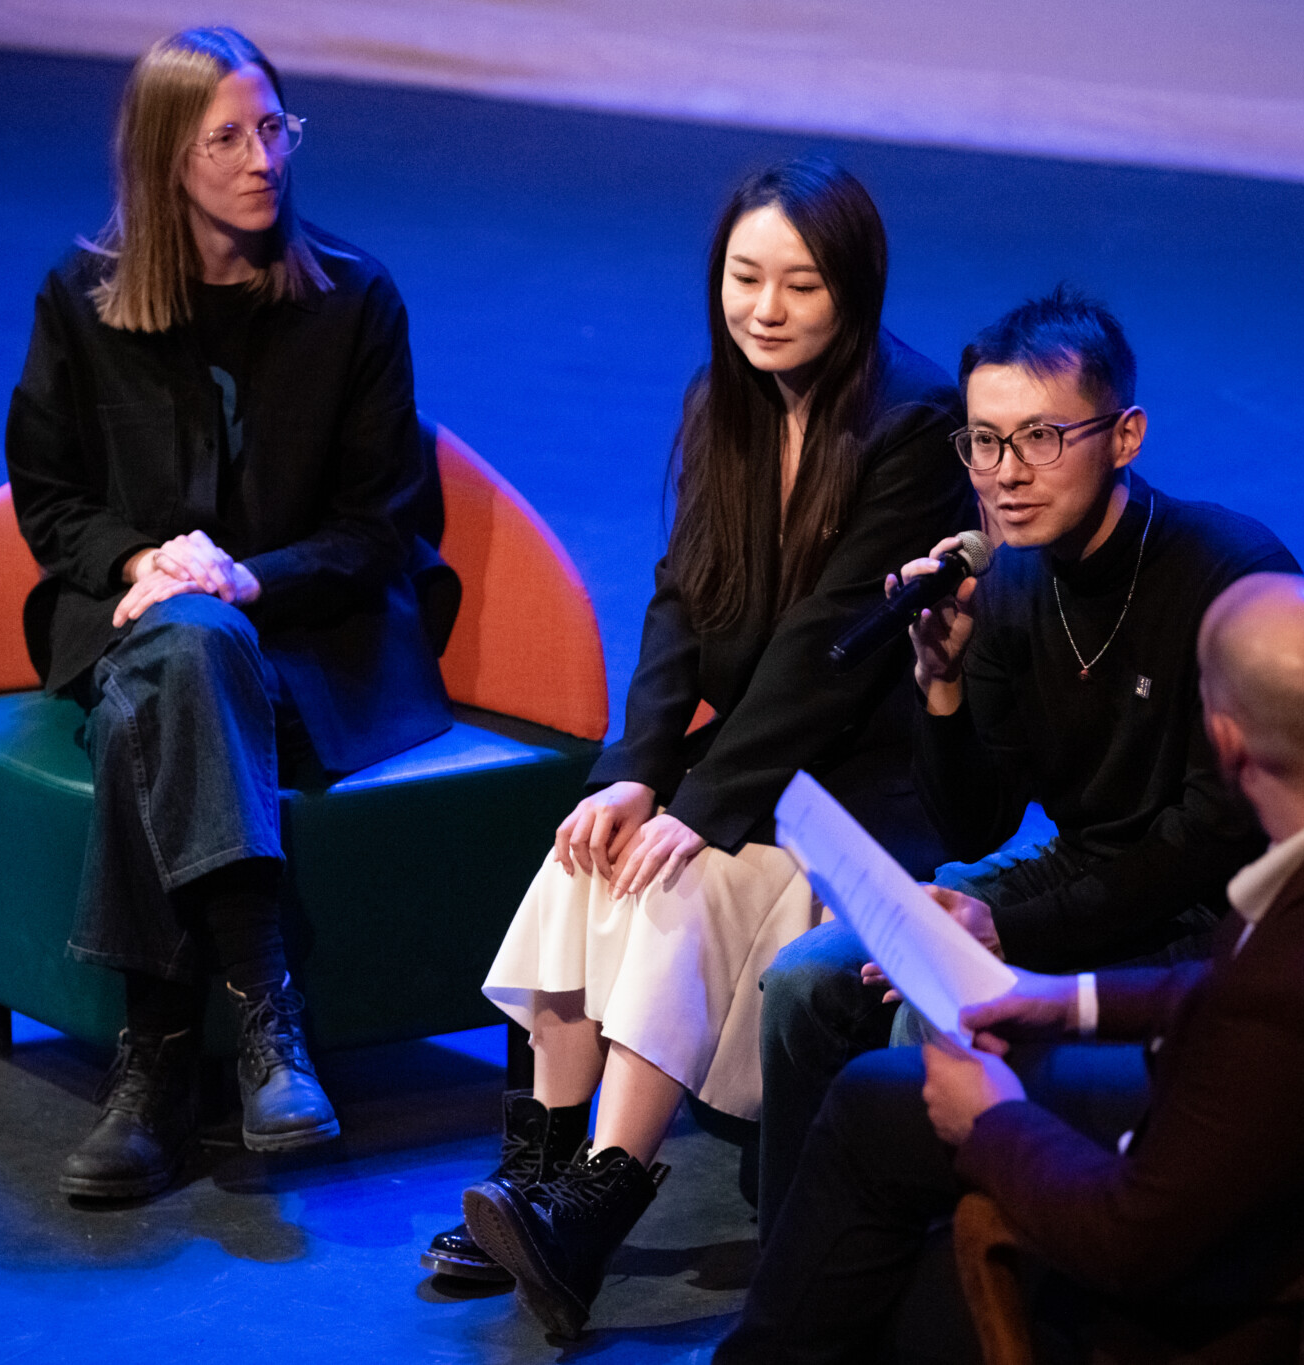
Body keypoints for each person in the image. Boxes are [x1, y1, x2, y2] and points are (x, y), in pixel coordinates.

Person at [717, 574, 1304, 1363]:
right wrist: (1059, 1000)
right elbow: (1256, 1000)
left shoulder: (1299, 989)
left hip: (1277, 1313)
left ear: (1224, 741)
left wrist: (994, 1122)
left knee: (865, 1297)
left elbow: (1128, 1239)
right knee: (876, 1096)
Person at [428, 157, 974, 1336]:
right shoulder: (721, 398)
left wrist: (703, 800)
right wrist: (634, 772)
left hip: (857, 790)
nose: (764, 309)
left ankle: (594, 1209)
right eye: (743, 277)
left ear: (854, 292)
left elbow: (829, 649)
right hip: (756, 762)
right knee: (591, 846)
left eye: (800, 286)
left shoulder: (912, 424)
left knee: (687, 871)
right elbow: (679, 603)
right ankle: (534, 1174)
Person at [5, 27, 457, 1200]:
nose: (263, 159)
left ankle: (151, 1069)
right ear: (165, 160)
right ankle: (266, 1019)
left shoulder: (354, 300)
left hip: (314, 647)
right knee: (182, 654)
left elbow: (384, 523)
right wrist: (147, 558)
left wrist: (248, 580)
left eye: (274, 127)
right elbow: (49, 499)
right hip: (140, 625)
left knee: (174, 677)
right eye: (228, 138)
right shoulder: (81, 299)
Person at [756, 287, 1298, 1237]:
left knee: (929, 1011)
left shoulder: (1229, 575)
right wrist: (941, 686)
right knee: (806, 980)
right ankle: (803, 1264)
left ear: (1124, 436)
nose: (1006, 474)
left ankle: (933, 1285)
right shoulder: (1006, 580)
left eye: (1042, 438)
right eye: (983, 442)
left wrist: (1010, 929)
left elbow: (1208, 839)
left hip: (1208, 914)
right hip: (1079, 876)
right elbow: (977, 825)